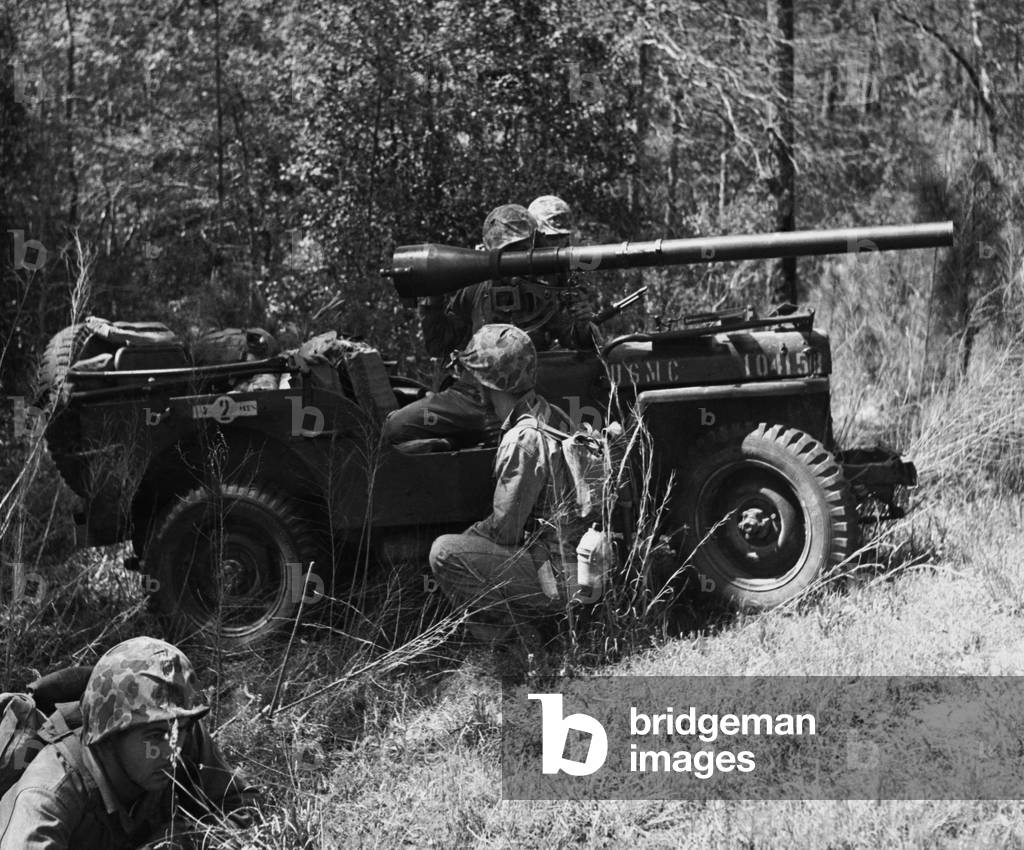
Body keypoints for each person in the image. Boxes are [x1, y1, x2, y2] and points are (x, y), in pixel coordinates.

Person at [0, 636, 255, 849]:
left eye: (182, 729)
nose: (173, 750)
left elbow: (245, 813)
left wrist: (186, 839)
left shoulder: (180, 732)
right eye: (155, 736)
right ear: (109, 737)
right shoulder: (47, 796)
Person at [383, 200, 595, 448]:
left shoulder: (547, 285)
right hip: (472, 395)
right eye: (506, 251)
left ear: (533, 244)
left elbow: (580, 347)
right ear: (490, 251)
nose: (513, 259)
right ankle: (449, 446)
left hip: (526, 397)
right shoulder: (475, 284)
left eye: (520, 248)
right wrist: (433, 299)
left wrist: (582, 322)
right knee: (395, 428)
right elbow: (439, 344)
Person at [428, 324, 586, 641]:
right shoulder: (551, 413)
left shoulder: (522, 439)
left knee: (445, 552)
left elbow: (505, 530)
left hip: (560, 575)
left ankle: (515, 642)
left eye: (476, 378)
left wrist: (468, 538)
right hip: (582, 561)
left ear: (490, 384)